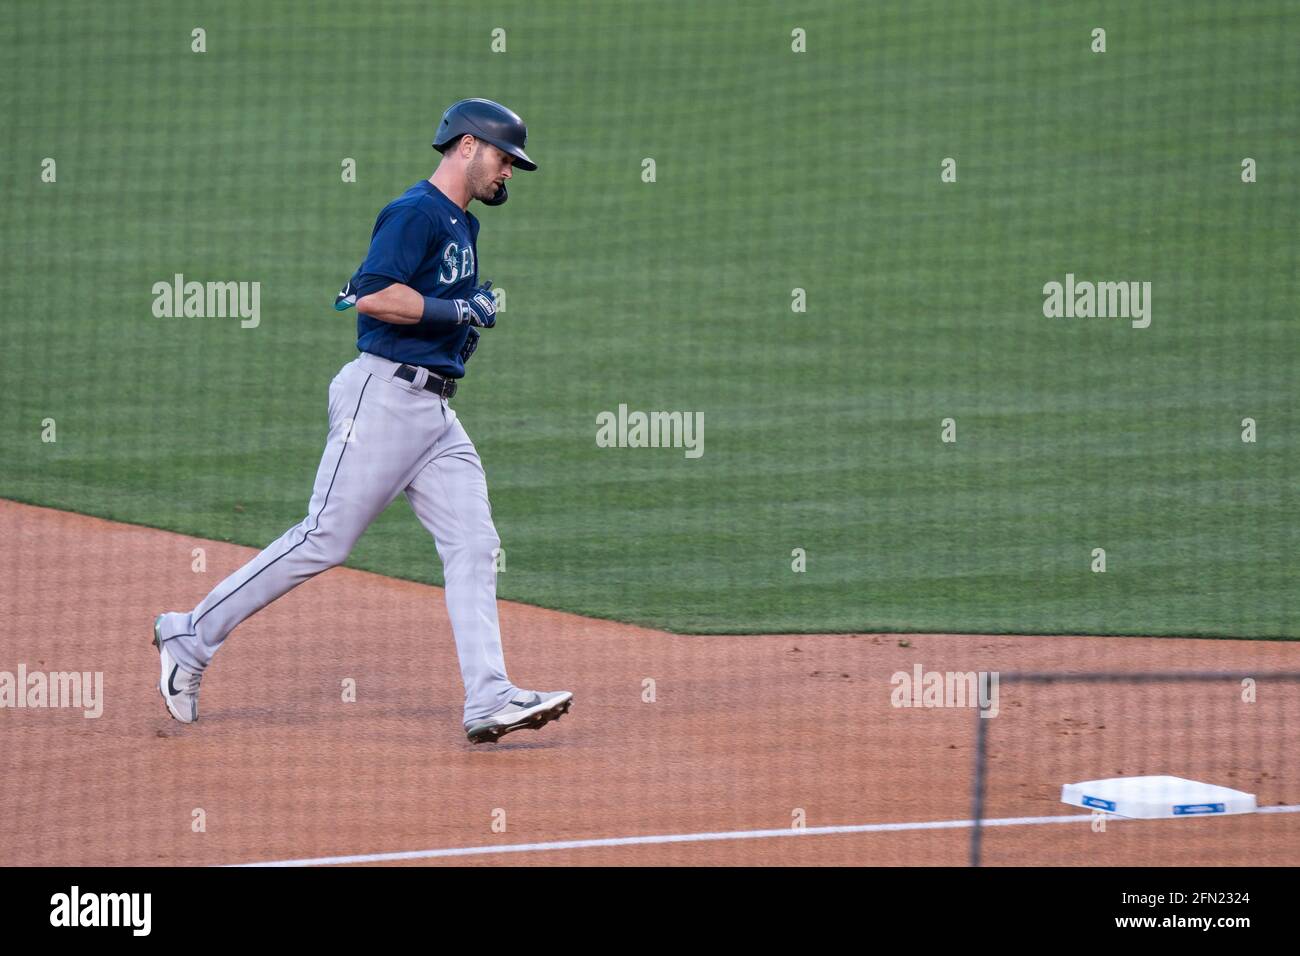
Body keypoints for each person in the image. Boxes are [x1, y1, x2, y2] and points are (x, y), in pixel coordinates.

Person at [152, 98, 572, 744]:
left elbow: (438, 307)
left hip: (433, 414)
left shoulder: (463, 224)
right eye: (503, 157)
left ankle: (488, 696)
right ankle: (189, 635)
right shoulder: (415, 214)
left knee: (474, 542)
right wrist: (455, 312)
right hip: (383, 399)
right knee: (324, 537)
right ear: (466, 146)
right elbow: (372, 294)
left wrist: (465, 309)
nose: (509, 171)